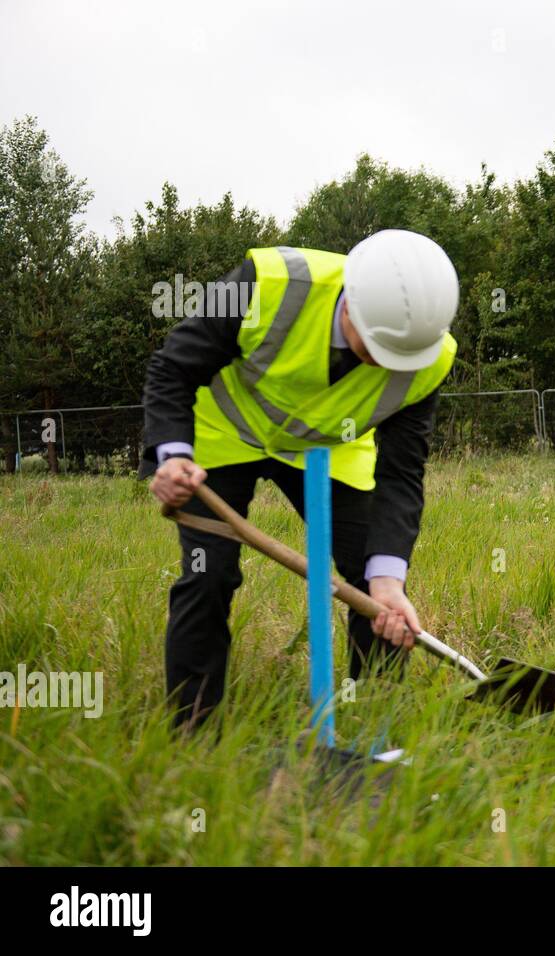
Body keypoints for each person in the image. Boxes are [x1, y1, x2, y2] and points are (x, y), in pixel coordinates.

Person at [141, 229, 459, 728]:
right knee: (209, 574)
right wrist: (173, 454)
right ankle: (192, 734)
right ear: (350, 303)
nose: (383, 365)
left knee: (375, 587)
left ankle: (371, 728)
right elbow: (172, 368)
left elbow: (402, 473)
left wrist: (388, 580)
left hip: (331, 447)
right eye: (375, 348)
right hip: (227, 433)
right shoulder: (268, 283)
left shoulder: (429, 357)